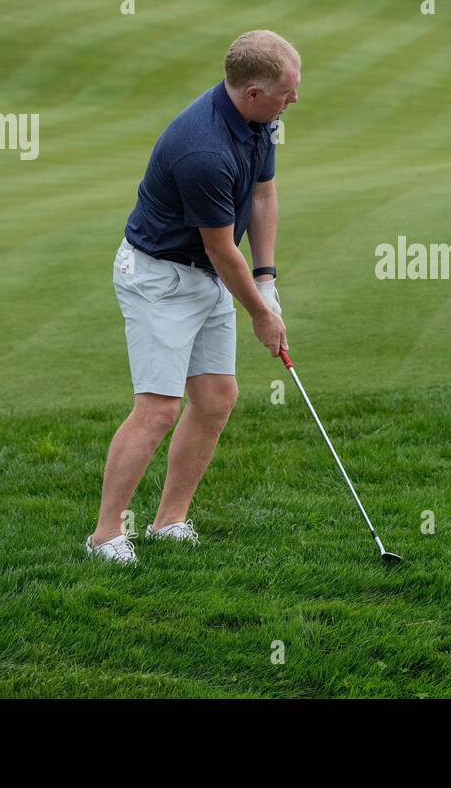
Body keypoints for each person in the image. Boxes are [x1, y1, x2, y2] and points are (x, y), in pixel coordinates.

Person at [86, 30, 300, 563]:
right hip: (160, 279)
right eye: (286, 92)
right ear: (252, 91)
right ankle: (106, 536)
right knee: (158, 408)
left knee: (216, 396)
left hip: (205, 275)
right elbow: (223, 249)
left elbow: (263, 193)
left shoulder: (261, 119)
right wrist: (260, 315)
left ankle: (168, 522)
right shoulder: (202, 150)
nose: (293, 100)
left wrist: (268, 280)